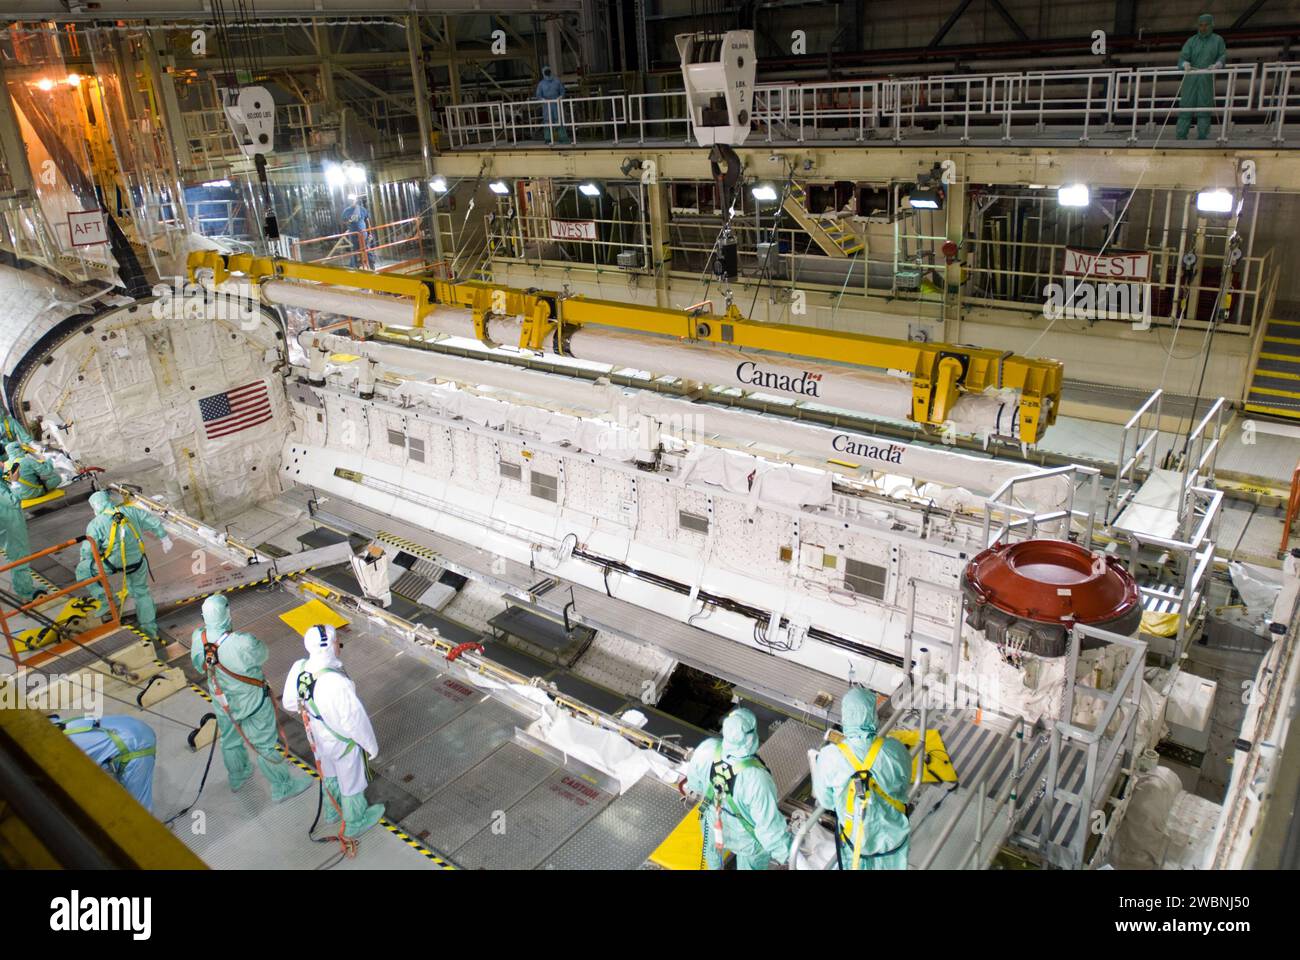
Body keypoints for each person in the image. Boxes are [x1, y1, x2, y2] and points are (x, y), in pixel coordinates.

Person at [191, 594, 311, 802]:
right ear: (227, 614)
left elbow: (197, 666)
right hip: (253, 702)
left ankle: (238, 775)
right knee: (264, 745)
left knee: (229, 740)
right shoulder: (243, 642)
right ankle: (283, 786)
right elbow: (262, 654)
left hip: (223, 703)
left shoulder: (198, 638)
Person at [282, 624, 385, 839]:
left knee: (328, 773)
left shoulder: (299, 667)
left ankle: (331, 811)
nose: (339, 644)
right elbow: (354, 721)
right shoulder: (336, 682)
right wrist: (371, 746)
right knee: (351, 780)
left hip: (317, 738)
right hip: (341, 743)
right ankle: (355, 822)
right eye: (336, 641)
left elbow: (290, 703)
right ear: (329, 646)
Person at [811, 687, 911, 870]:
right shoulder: (895, 750)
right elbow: (904, 789)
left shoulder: (829, 757)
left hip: (856, 842)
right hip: (893, 840)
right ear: (873, 715)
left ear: (845, 716)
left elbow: (826, 800)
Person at [683, 707, 792, 870]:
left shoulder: (707, 749)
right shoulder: (757, 779)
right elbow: (769, 828)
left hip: (713, 822)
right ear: (750, 736)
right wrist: (789, 855)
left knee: (713, 857)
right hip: (746, 839)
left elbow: (694, 785)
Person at [75, 490, 172, 639]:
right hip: (137, 561)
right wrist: (164, 538)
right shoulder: (131, 511)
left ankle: (107, 600)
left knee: (82, 570)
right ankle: (149, 630)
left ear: (95, 506)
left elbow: (88, 551)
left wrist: (86, 561)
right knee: (141, 592)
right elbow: (152, 521)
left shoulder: (95, 524)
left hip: (112, 563)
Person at [53, 714, 157, 812]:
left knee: (140, 812)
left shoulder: (55, 752)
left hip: (135, 744)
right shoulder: (50, 727)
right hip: (127, 724)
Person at [1176, 14, 1227, 141]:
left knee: (1204, 107)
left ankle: (1203, 137)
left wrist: (1218, 65)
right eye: (1200, 25)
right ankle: (1181, 136)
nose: (1203, 28)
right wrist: (1184, 64)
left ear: (1211, 25)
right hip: (1191, 77)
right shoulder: (1191, 41)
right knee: (1186, 106)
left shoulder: (1217, 40)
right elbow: (1182, 58)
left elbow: (1222, 55)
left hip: (1207, 77)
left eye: (1206, 25)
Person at [0, 483, 39, 603]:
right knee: (19, 559)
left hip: (8, 524)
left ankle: (23, 589)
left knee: (17, 558)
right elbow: (13, 502)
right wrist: (15, 483)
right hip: (11, 527)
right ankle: (26, 593)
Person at [535, 65, 568, 144]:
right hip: (546, 105)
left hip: (556, 104)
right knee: (547, 121)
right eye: (546, 71)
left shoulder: (557, 81)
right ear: (543, 73)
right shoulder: (541, 84)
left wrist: (560, 97)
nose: (547, 73)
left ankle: (562, 137)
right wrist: (542, 99)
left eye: (548, 71)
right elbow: (538, 95)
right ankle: (548, 138)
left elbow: (562, 91)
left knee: (558, 120)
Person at [340, 196, 371, 268]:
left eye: (352, 200)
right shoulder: (346, 211)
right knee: (354, 250)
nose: (351, 201)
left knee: (366, 249)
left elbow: (367, 221)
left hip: (363, 234)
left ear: (355, 200)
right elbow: (343, 222)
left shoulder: (362, 209)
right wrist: (347, 226)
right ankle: (354, 266)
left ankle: (369, 264)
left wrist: (370, 233)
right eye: (349, 200)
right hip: (353, 234)